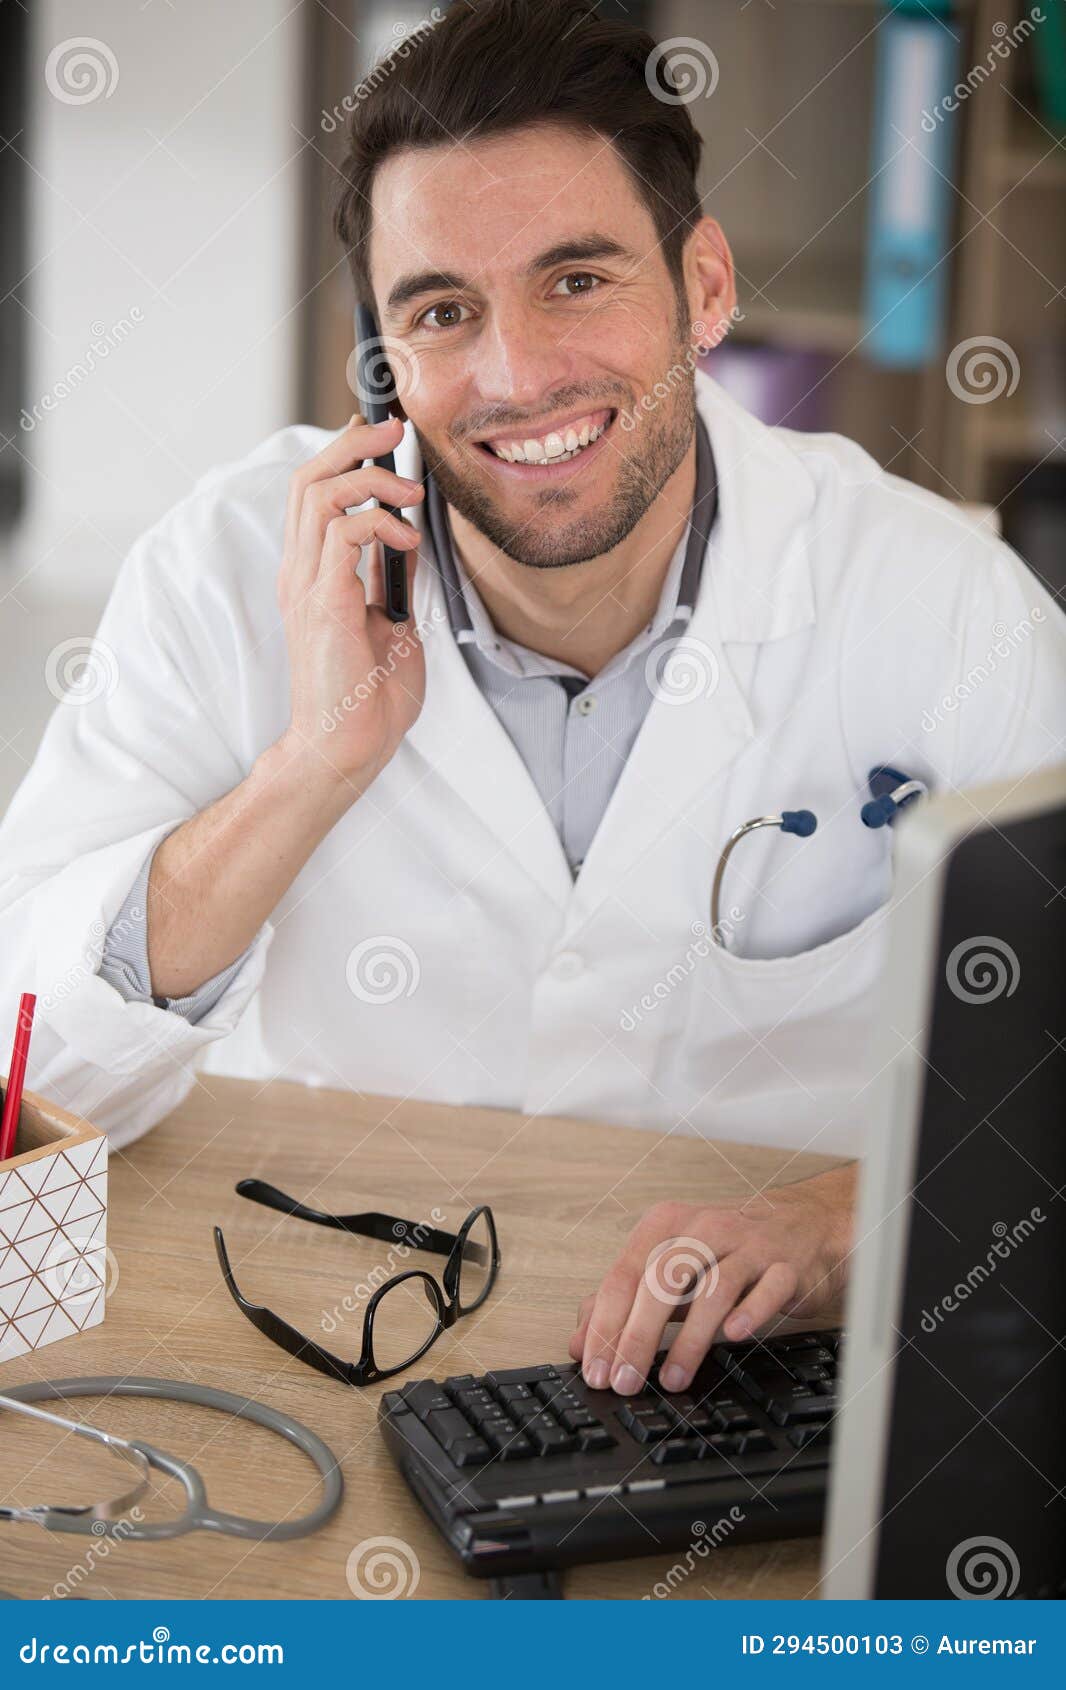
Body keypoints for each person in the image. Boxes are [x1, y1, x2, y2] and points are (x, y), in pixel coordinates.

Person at [1, 0, 1063, 1399]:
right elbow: (32, 1075)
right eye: (442, 311)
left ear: (703, 287)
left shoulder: (942, 602)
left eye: (576, 280)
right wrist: (313, 764)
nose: (514, 376)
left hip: (757, 1378)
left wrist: (842, 1222)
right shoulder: (225, 567)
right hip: (325, 1326)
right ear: (380, 358)